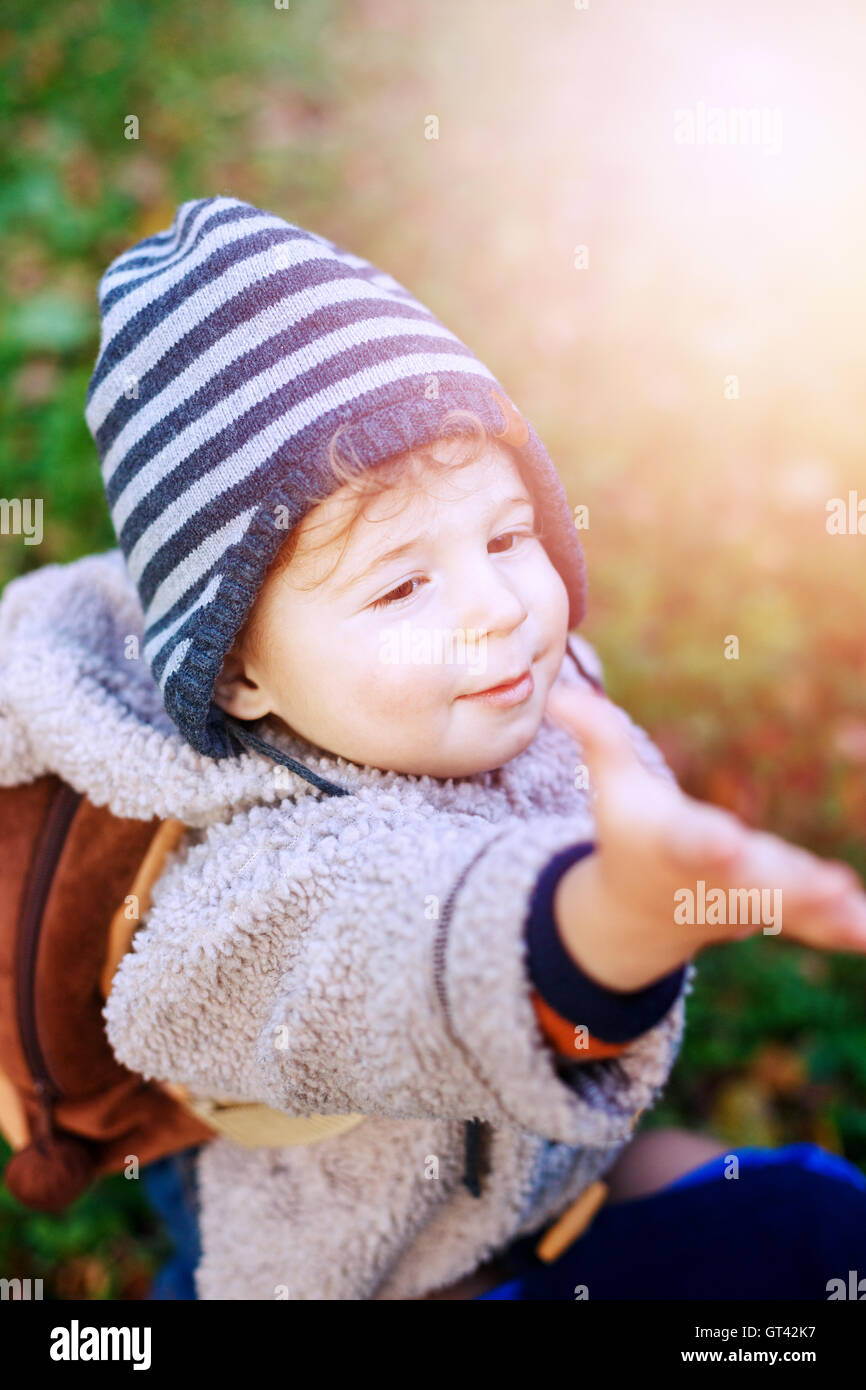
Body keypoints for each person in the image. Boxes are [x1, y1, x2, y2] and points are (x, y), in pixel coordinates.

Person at [3, 196, 865, 1299]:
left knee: (806, 1219)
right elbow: (378, 943)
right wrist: (595, 923)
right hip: (373, 1265)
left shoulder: (487, 687)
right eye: (403, 582)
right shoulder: (235, 901)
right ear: (241, 674)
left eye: (507, 536)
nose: (497, 605)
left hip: (537, 1171)